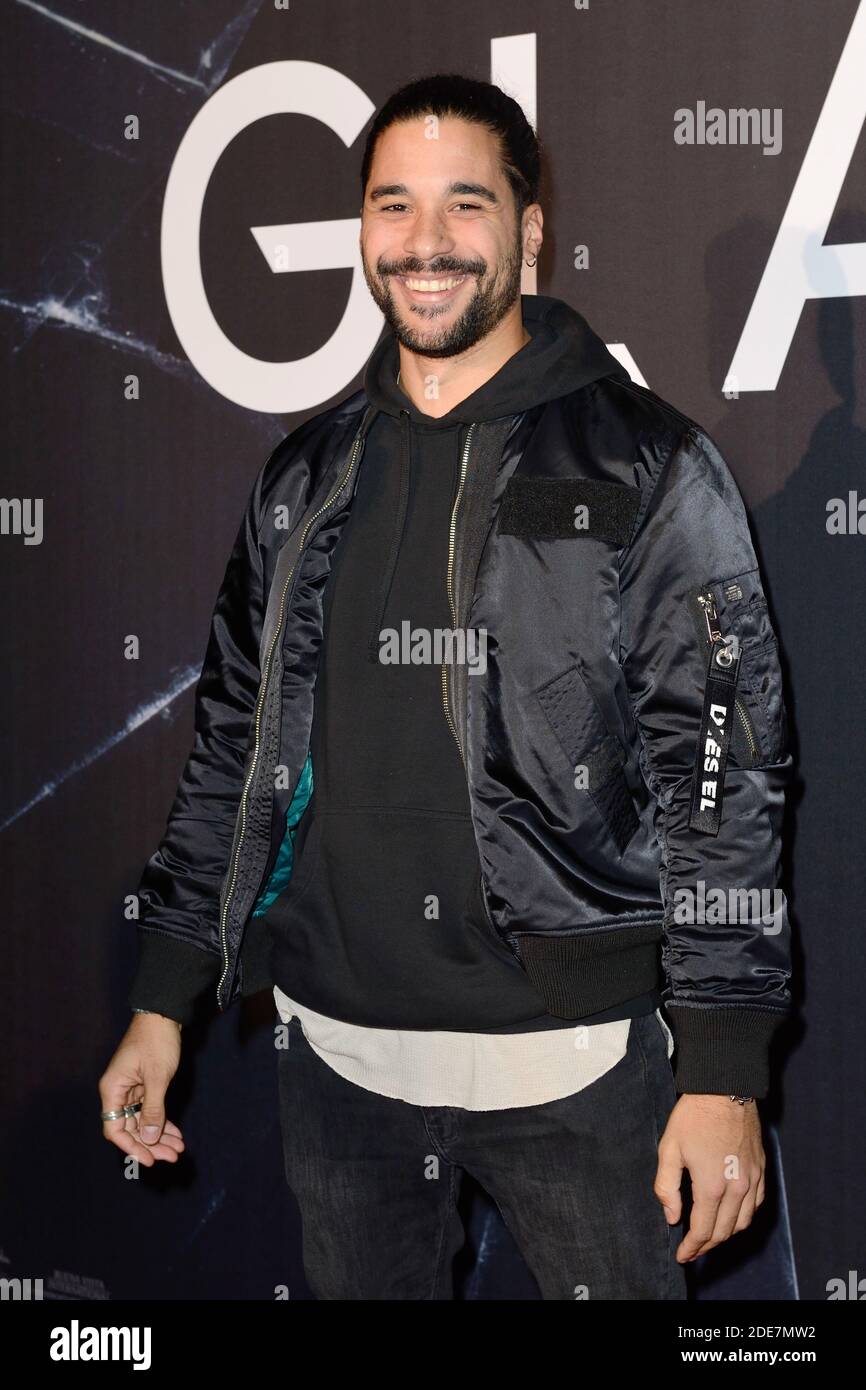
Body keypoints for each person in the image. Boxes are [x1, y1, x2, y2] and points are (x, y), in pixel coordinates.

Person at [100, 73, 793, 1300]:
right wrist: (163, 998)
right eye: (393, 206)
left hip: (575, 1076)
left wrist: (722, 1067)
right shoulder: (302, 480)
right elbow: (229, 753)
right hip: (337, 1068)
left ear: (527, 232)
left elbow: (723, 777)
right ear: (362, 228)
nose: (424, 244)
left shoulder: (644, 464)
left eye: (464, 206)